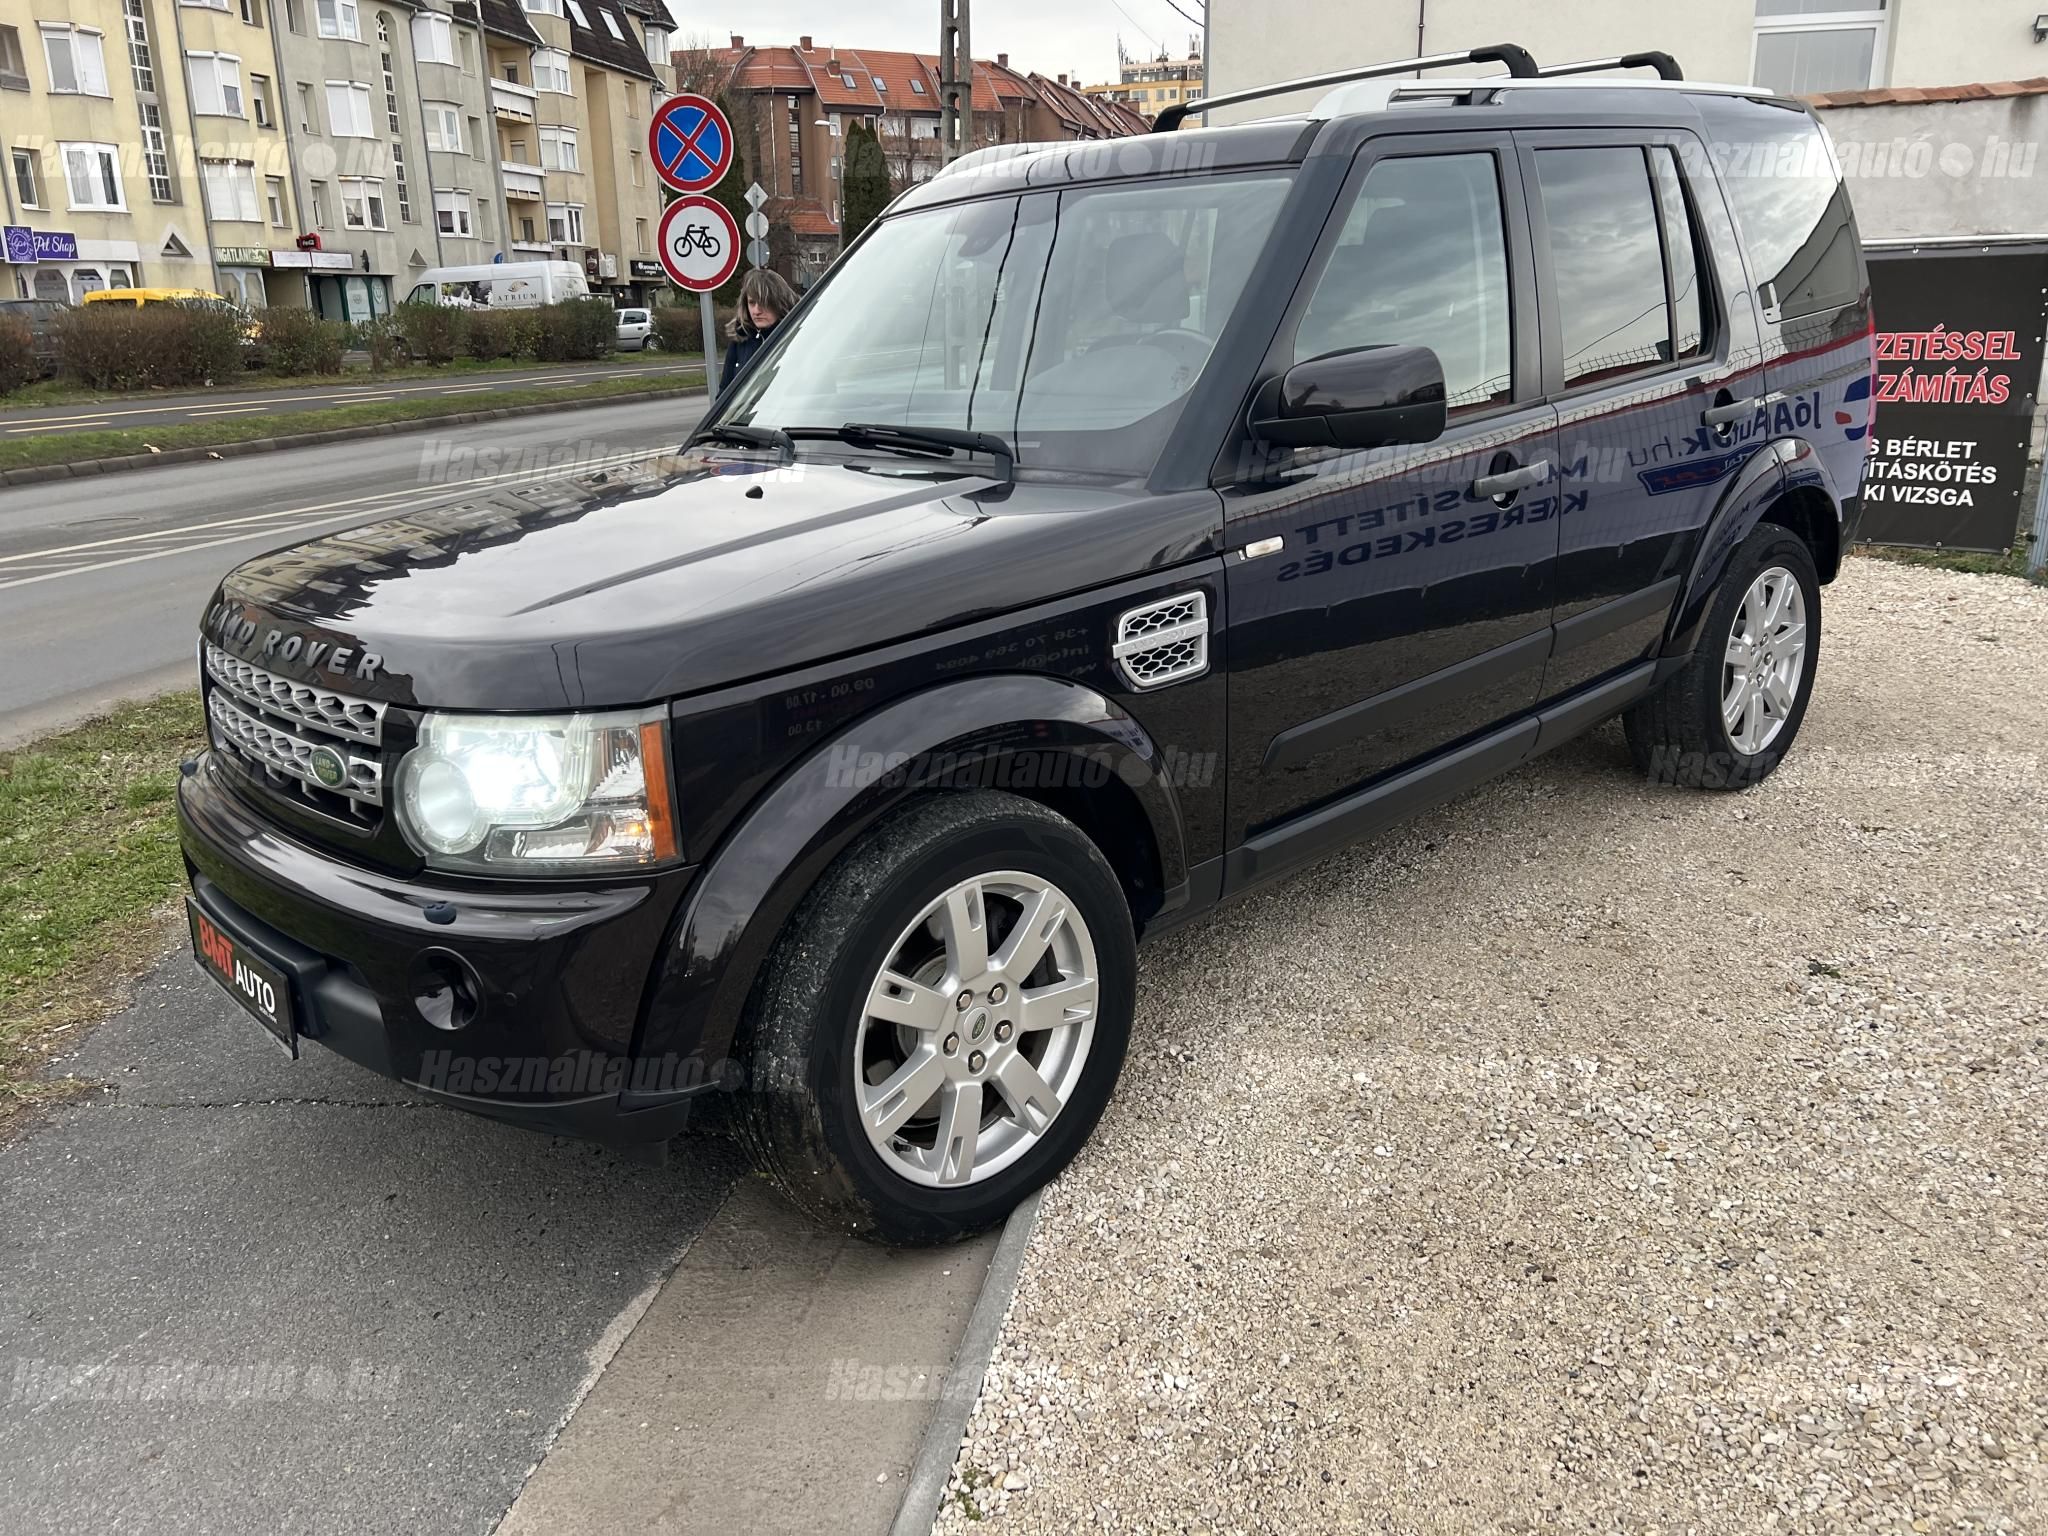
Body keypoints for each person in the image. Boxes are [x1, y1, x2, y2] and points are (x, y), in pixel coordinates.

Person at [717, 269, 799, 399]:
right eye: (752, 302)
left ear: (779, 302)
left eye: (763, 302)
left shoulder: (798, 339)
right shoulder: (740, 338)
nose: (756, 310)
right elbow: (724, 395)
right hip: (745, 419)